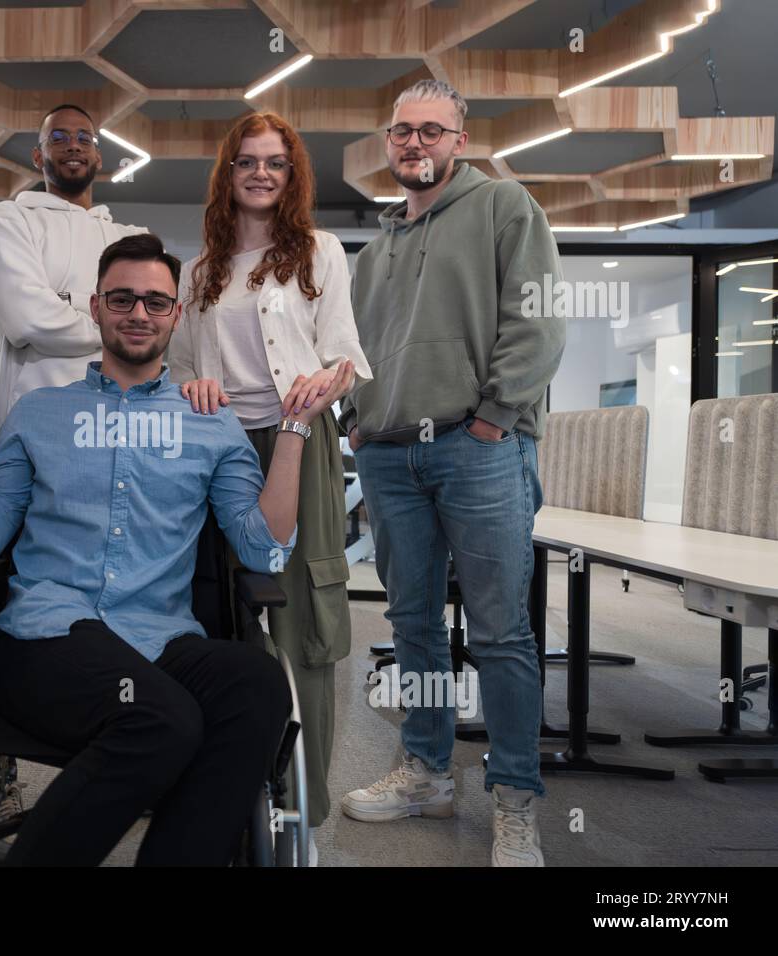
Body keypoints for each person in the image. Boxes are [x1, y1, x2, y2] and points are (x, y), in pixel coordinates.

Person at [0, 233, 357, 865]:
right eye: (123, 299)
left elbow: (263, 552)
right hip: (45, 640)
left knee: (259, 685)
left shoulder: (209, 423)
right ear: (97, 309)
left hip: (159, 639)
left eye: (156, 302)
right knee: (165, 721)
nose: (139, 314)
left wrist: (293, 427)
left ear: (175, 316)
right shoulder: (39, 412)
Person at [337, 80, 565, 867]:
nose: (415, 144)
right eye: (401, 132)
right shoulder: (372, 254)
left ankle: (515, 801)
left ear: (459, 140)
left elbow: (535, 318)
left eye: (432, 131)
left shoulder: (505, 208)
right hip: (390, 455)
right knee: (414, 628)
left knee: (502, 633)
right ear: (389, 143)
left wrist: (497, 415)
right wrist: (359, 427)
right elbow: (356, 354)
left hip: (480, 449)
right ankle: (430, 773)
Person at [168, 111, 372, 866]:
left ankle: (301, 815)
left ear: (293, 175)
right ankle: (226, 799)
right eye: (248, 161)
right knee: (221, 616)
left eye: (276, 163)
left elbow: (345, 348)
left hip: (299, 439)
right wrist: (194, 387)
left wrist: (329, 378)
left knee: (302, 621)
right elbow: (182, 368)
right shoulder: (201, 271)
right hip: (219, 452)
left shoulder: (318, 251)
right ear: (229, 173)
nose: (261, 173)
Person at [0, 103, 147, 425]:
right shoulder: (9, 219)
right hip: (36, 424)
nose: (73, 145)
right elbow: (28, 321)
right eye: (58, 138)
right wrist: (118, 325)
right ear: (38, 156)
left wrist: (64, 300)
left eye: (85, 139)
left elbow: (152, 326)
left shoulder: (132, 237)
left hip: (117, 422)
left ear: (98, 157)